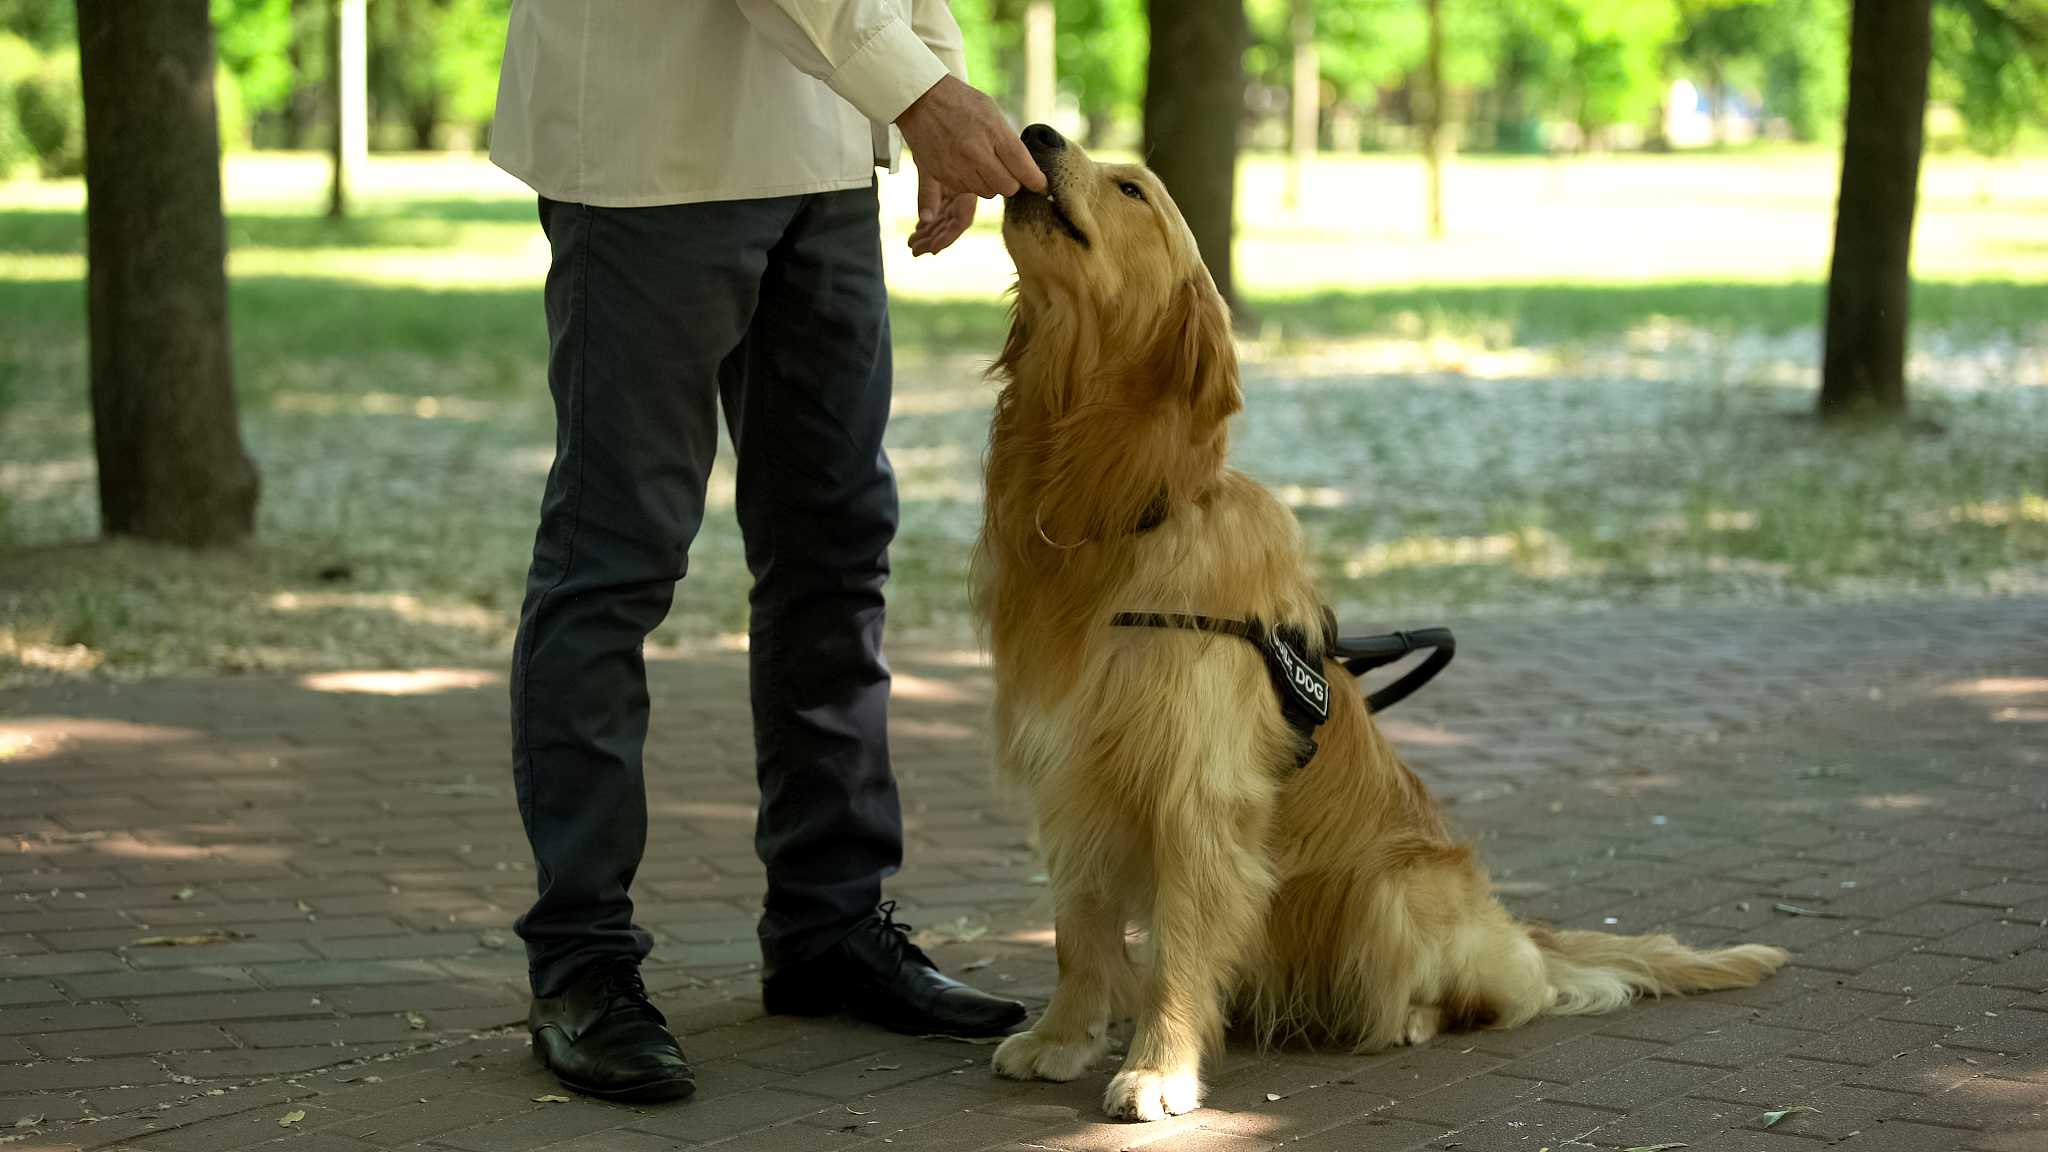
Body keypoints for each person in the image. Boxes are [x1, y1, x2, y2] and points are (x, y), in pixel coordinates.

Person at [488, 0, 1047, 1103]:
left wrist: (927, 78)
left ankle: (829, 925)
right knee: (615, 556)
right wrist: (918, 94)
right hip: (650, 145)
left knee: (836, 546)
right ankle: (580, 962)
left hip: (825, 146)